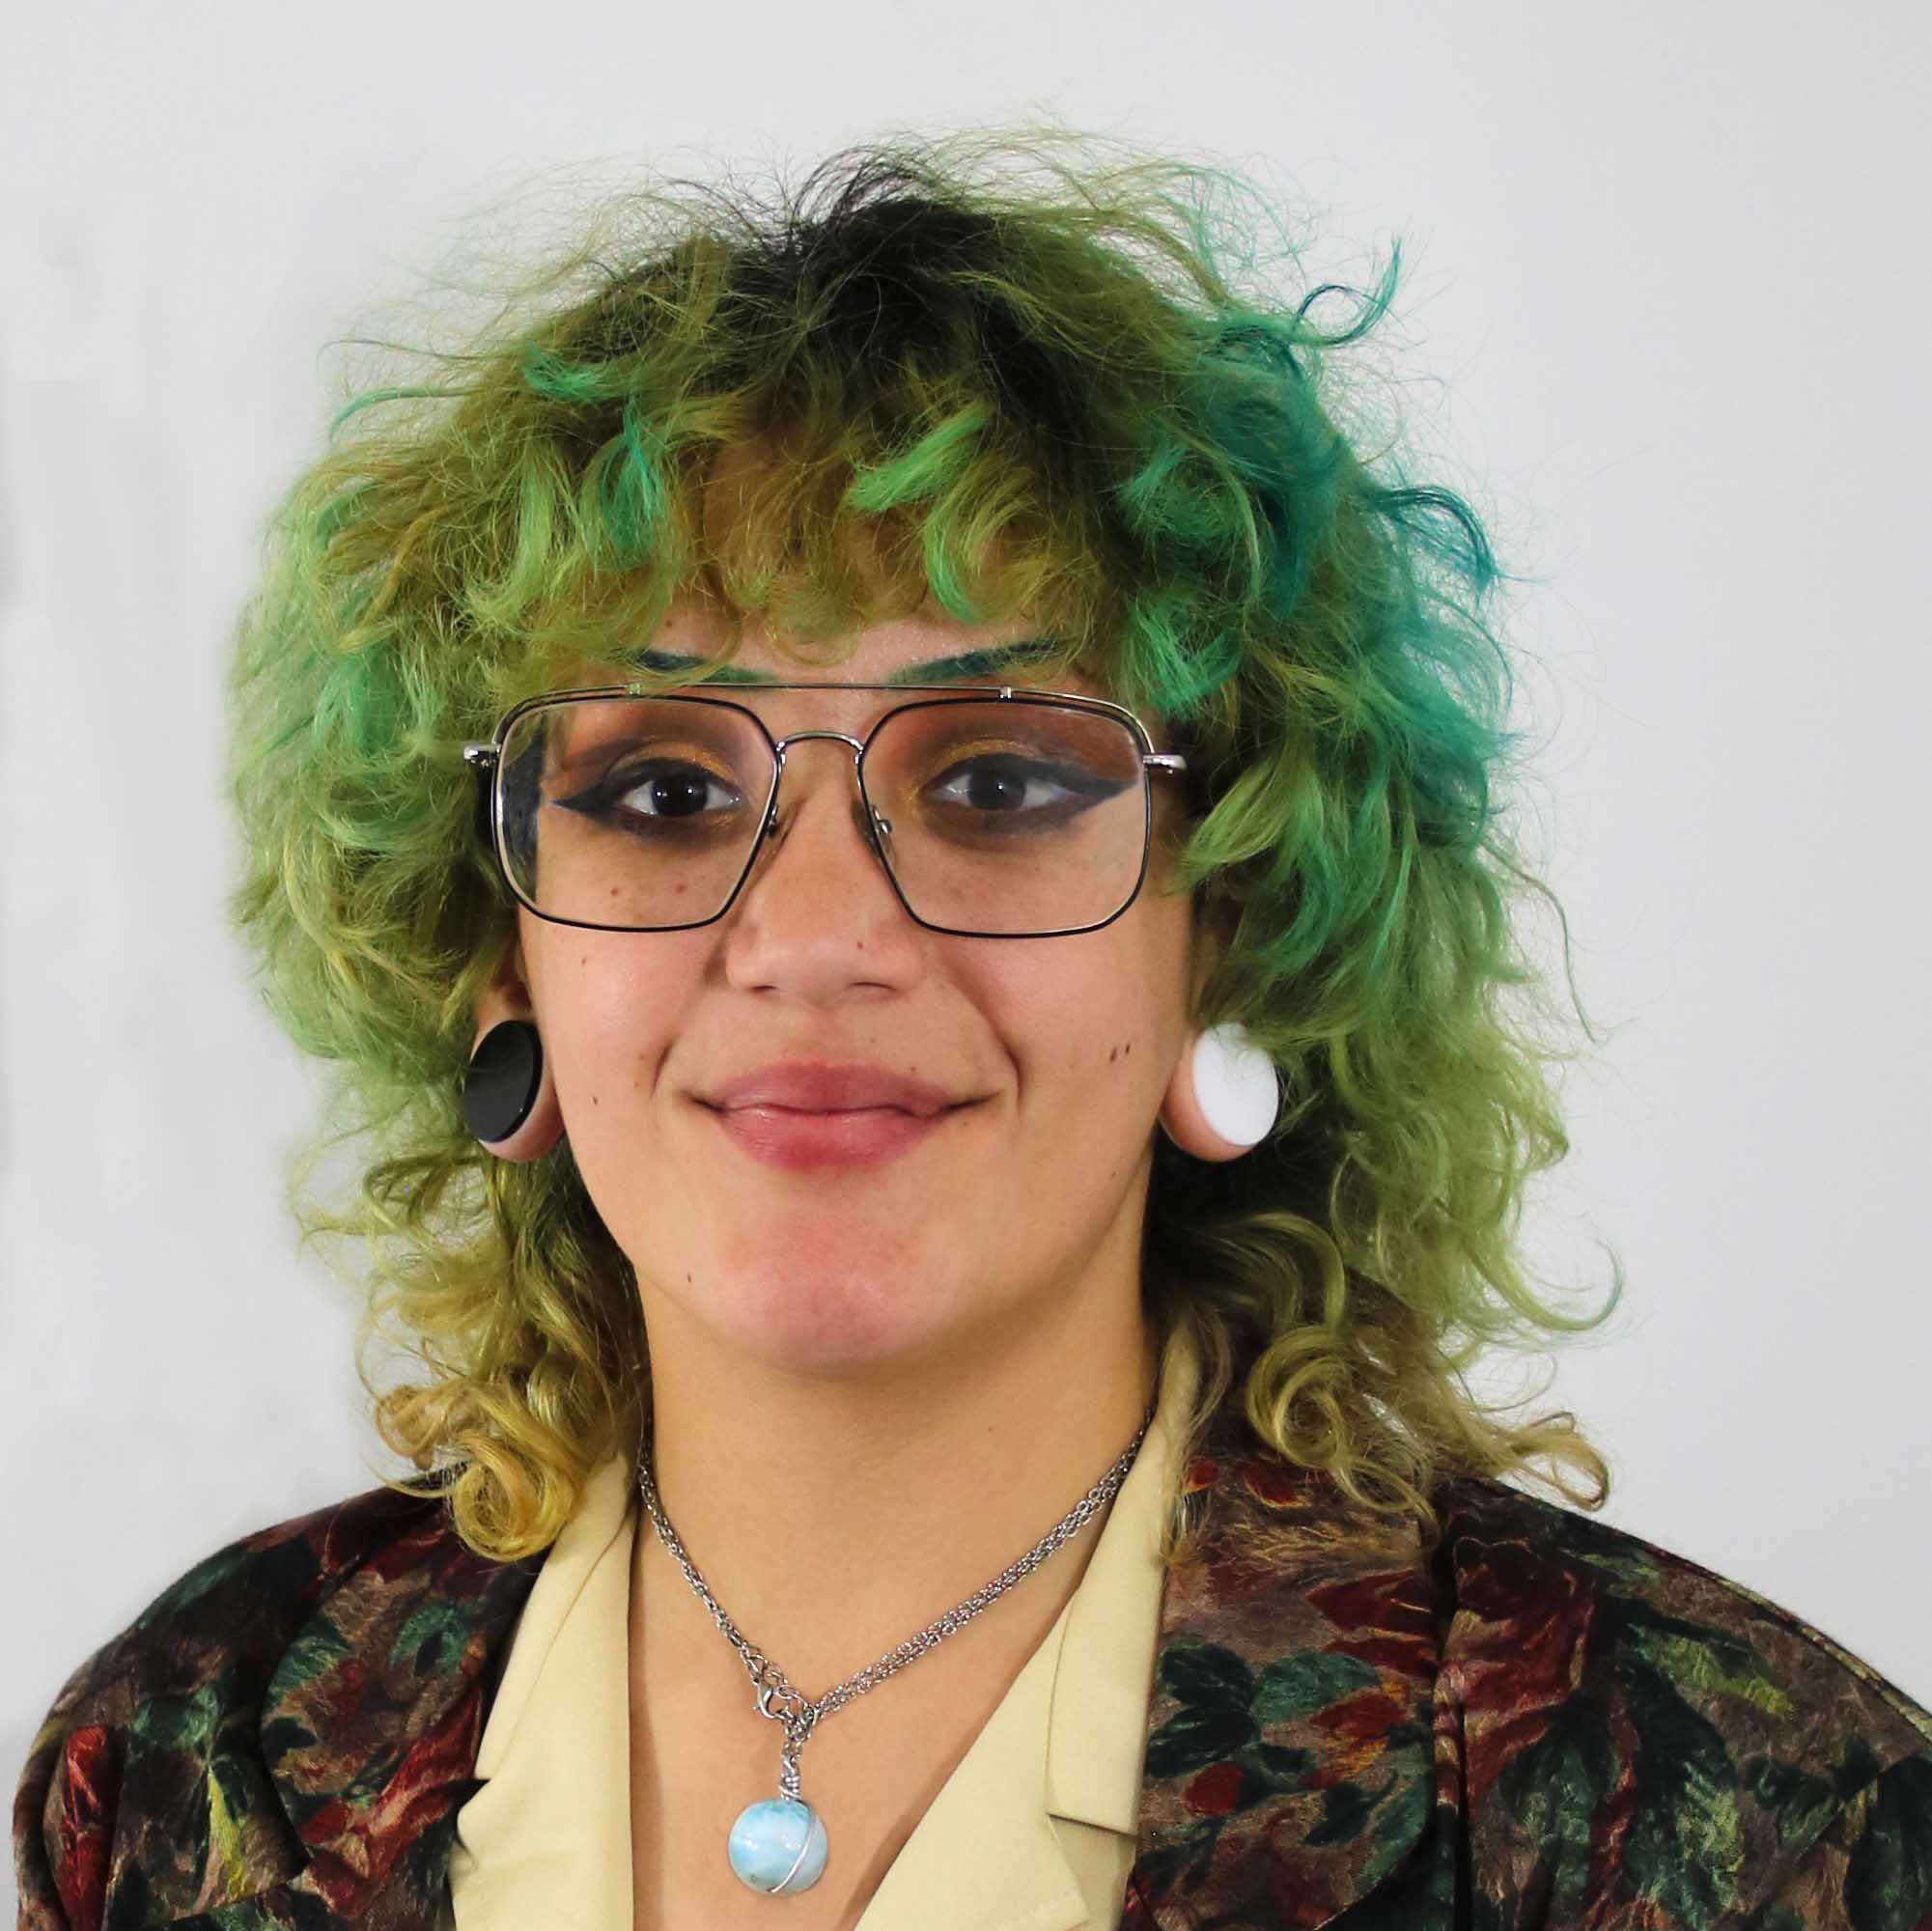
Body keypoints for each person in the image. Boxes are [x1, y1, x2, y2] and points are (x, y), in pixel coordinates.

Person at [14, 134, 1932, 1931]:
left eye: (1001, 780)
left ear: (1237, 914)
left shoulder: (1740, 1813)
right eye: (665, 792)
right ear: (495, 945)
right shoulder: (185, 1762)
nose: (818, 937)